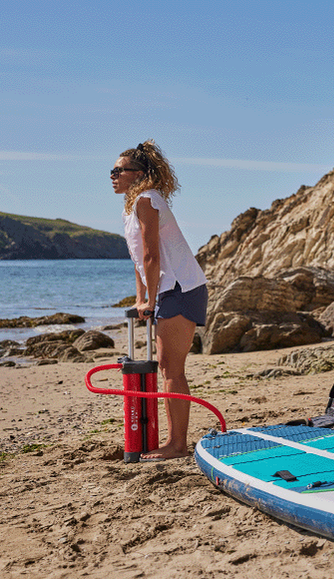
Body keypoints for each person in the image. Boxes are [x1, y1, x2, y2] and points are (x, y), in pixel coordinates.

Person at [112, 140, 208, 460]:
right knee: (169, 367)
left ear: (138, 174)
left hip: (180, 288)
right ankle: (173, 441)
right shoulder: (132, 206)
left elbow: (153, 255)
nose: (113, 175)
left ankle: (177, 444)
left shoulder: (147, 200)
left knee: (171, 369)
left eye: (119, 170)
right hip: (169, 288)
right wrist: (141, 298)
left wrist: (151, 301)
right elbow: (139, 259)